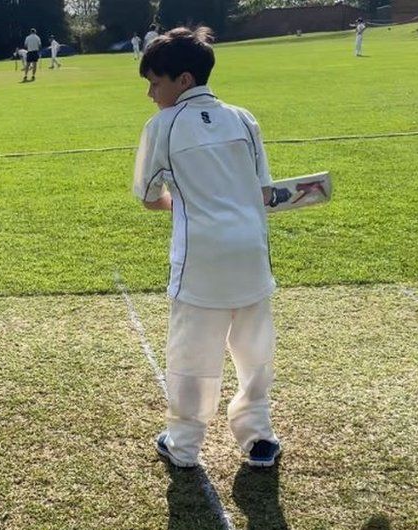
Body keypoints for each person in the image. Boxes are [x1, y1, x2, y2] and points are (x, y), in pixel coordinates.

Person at [133, 27, 286, 469]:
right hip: (251, 255)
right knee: (255, 349)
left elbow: (147, 196)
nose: (150, 93)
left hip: (200, 261)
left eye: (155, 83)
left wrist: (178, 202)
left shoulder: (162, 125)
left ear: (183, 81)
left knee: (192, 355)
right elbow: (263, 191)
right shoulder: (243, 118)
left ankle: (182, 444)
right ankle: (258, 437)